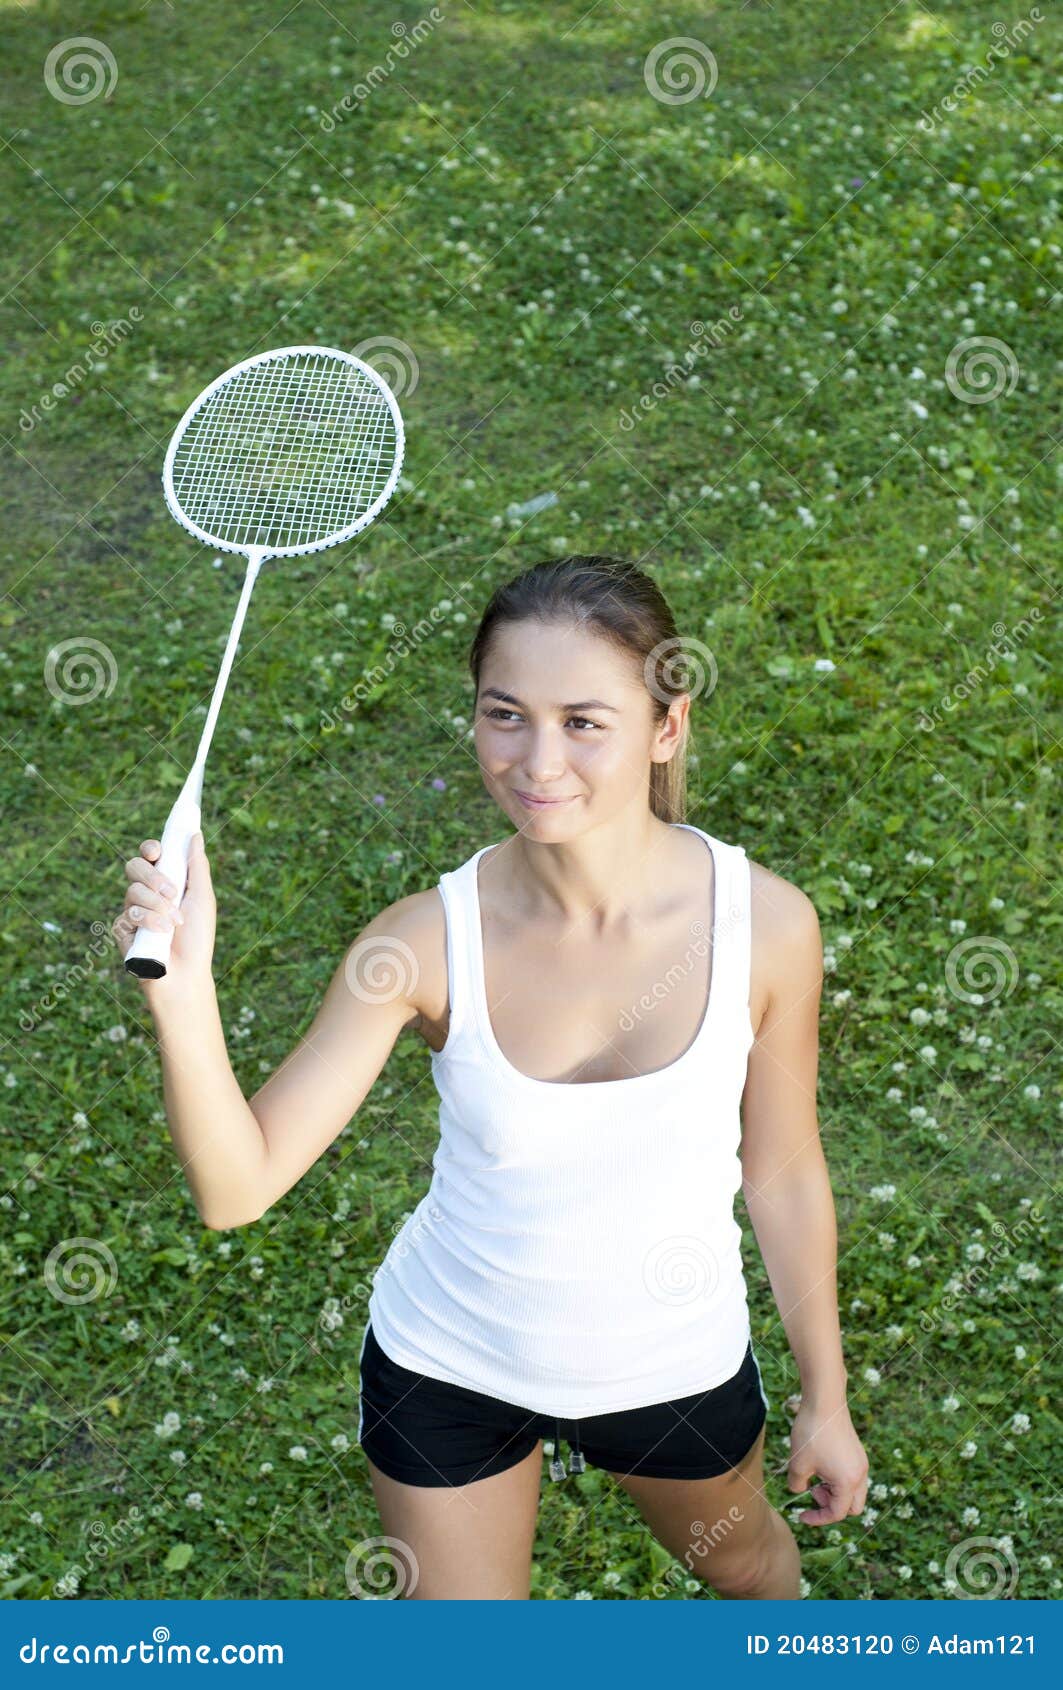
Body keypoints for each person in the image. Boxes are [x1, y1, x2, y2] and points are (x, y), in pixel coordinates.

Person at [115, 554, 868, 1601]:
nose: (537, 760)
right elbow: (238, 1188)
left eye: (583, 721)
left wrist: (822, 1397)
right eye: (504, 714)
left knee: (752, 1577)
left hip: (670, 1368)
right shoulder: (420, 946)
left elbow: (783, 1170)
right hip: (448, 1361)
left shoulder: (767, 927)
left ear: (666, 726)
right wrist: (181, 992)